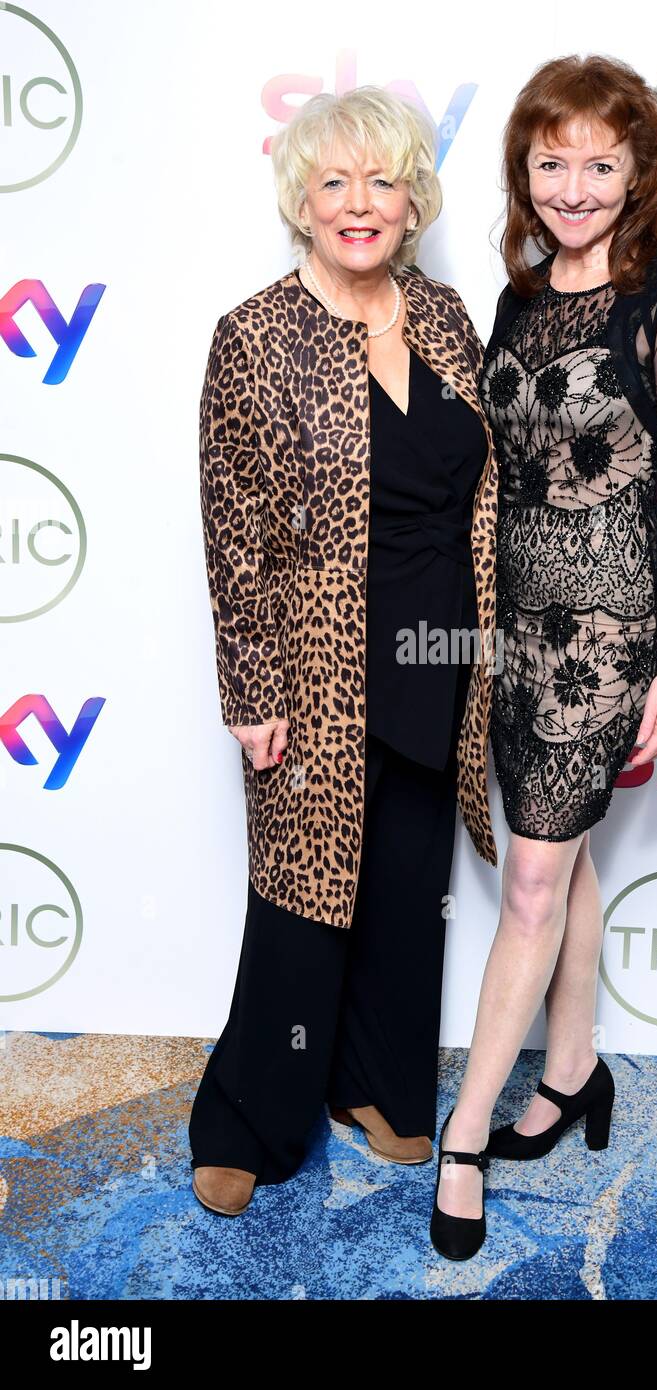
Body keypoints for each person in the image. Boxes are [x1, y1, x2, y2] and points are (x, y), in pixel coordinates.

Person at [428, 53, 657, 1260]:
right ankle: (571, 1070)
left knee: (534, 879)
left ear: (638, 170)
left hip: (606, 634)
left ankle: (461, 1140)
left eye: (600, 164)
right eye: (552, 164)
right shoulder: (515, 296)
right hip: (510, 625)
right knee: (568, 855)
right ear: (524, 171)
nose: (574, 187)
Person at [189, 86, 498, 1216]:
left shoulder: (449, 317)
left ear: (414, 197)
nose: (360, 204)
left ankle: (377, 1085)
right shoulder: (256, 334)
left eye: (383, 180)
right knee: (304, 891)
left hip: (442, 642)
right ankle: (252, 1117)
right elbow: (231, 527)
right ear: (301, 200)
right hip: (319, 664)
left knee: (410, 880)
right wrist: (252, 686)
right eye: (334, 182)